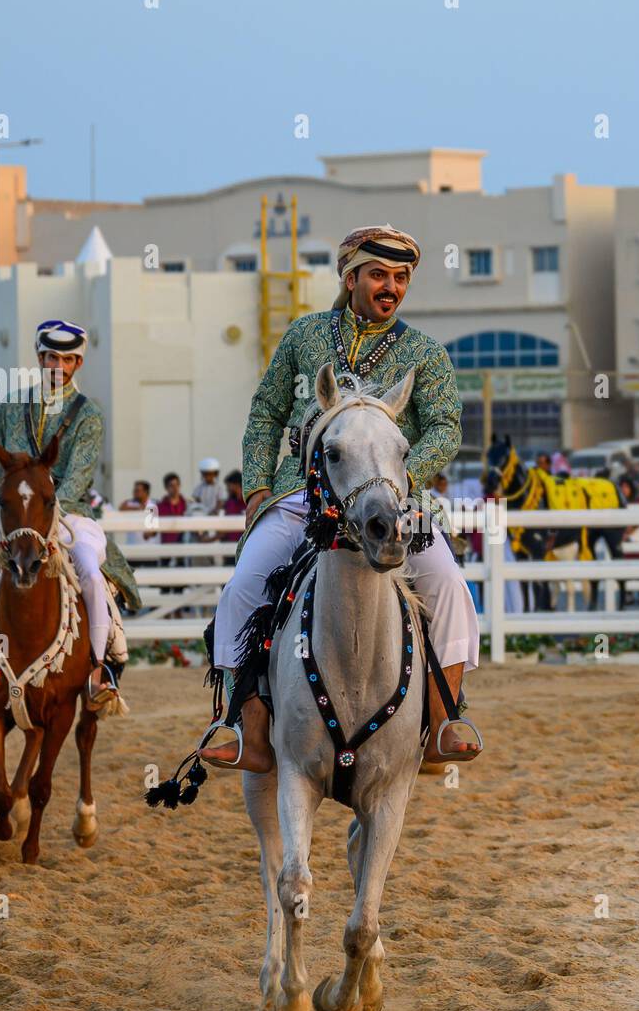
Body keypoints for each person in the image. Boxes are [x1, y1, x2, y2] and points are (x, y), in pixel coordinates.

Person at [202, 222, 480, 771]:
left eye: (401, 278)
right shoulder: (304, 337)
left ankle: (446, 721)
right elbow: (266, 414)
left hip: (396, 503)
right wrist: (257, 486)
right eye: (379, 274)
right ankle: (244, 727)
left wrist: (393, 482)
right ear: (350, 277)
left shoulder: (425, 353)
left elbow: (446, 429)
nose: (392, 287)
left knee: (447, 582)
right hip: (304, 496)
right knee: (241, 588)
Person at [0, 319, 139, 713]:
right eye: (50, 357)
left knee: (86, 565)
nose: (57, 366)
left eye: (66, 359)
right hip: (14, 518)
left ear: (76, 364)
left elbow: (80, 474)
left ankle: (101, 669)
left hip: (68, 514)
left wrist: (48, 521)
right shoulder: (13, 406)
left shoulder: (88, 414)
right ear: (39, 358)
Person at [119, 479, 156, 546]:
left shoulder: (152, 504)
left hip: (148, 546)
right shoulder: (130, 503)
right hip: (132, 544)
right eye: (134, 490)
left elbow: (152, 527)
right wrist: (138, 508)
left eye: (138, 491)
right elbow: (121, 508)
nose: (135, 493)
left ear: (146, 492)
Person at [221, 470, 245, 543]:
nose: (227, 489)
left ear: (236, 485)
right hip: (228, 545)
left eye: (229, 486)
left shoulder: (249, 502)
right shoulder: (229, 503)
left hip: (245, 545)